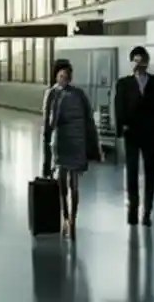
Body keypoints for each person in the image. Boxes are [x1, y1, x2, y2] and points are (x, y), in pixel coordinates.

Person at [42, 60, 102, 239]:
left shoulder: (62, 94)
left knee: (72, 184)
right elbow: (47, 125)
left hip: (73, 144)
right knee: (64, 183)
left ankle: (70, 219)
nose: (64, 78)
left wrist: (93, 147)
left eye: (66, 75)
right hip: (62, 144)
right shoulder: (55, 94)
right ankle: (67, 217)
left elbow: (88, 122)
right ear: (56, 76)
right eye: (61, 75)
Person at [114, 45, 154, 227]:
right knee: (131, 171)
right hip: (132, 133)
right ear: (132, 63)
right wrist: (121, 129)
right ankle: (133, 208)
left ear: (147, 62)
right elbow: (119, 107)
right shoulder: (123, 84)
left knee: (150, 172)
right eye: (136, 61)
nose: (139, 65)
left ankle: (147, 212)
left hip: (150, 133)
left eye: (142, 61)